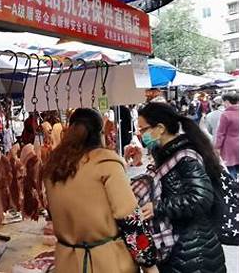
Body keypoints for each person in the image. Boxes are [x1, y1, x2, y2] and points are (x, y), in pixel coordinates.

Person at [43, 108, 158, 273]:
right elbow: (130, 221)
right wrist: (149, 265)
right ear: (100, 132)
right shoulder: (106, 162)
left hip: (66, 264)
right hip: (107, 264)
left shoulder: (53, 166)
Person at [138, 103, 226, 273]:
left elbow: (202, 197)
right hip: (183, 246)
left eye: (143, 129)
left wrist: (158, 207)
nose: (140, 134)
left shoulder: (186, 158)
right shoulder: (167, 153)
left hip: (193, 249)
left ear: (160, 128)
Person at [215, 92, 239, 179]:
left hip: (229, 147)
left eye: (224, 102)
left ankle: (234, 190)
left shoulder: (225, 115)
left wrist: (217, 148)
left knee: (230, 171)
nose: (223, 104)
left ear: (227, 101)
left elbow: (220, 134)